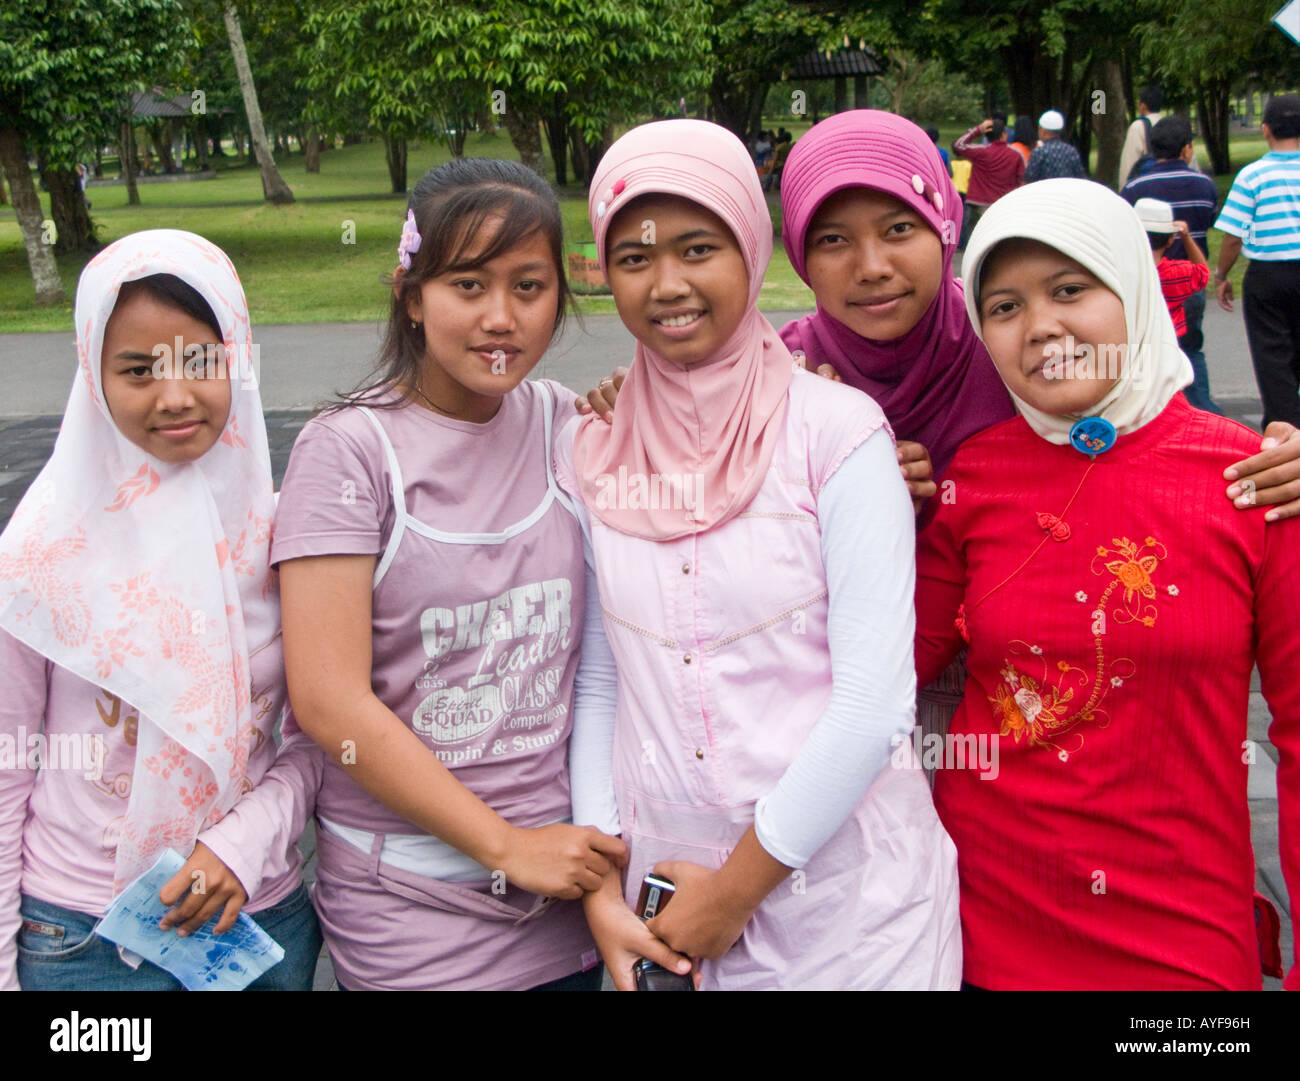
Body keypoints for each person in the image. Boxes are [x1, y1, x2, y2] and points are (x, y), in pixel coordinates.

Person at [560, 118, 961, 991]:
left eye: (698, 247)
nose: (668, 284)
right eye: (634, 258)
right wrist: (603, 876)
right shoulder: (592, 447)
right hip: (663, 897)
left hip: (850, 909)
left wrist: (736, 893)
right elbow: (601, 678)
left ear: (750, 247)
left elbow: (873, 704)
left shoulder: (839, 432)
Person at [915, 178, 1299, 990]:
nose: (1042, 326)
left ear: (1129, 286)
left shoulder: (1256, 478)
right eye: (1005, 306)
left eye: (1069, 289)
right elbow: (883, 660)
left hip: (1183, 944)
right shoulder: (976, 475)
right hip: (984, 925)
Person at [272, 159, 632, 991]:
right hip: (418, 915)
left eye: (530, 286)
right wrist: (506, 845)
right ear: (410, 293)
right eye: (467, 284)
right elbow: (329, 701)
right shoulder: (350, 451)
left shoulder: (562, 424)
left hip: (570, 899)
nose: (500, 318)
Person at [0, 230, 322, 991]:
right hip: (83, 938)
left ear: (236, 357)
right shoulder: (40, 555)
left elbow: (322, 736)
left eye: (200, 362)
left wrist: (244, 844)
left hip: (255, 920)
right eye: (138, 370)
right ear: (93, 375)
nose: (174, 396)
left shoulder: (286, 534)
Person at [1121, 115, 1222, 414]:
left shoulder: (1135, 187)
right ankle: (1201, 410)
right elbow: (1208, 221)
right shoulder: (1205, 185)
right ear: (1187, 149)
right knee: (1190, 349)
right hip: (1188, 284)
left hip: (1141, 283)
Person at [1215, 94, 1300, 430]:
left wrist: (1222, 275)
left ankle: (1285, 434)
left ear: (1266, 130)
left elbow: (1234, 236)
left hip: (1268, 277)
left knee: (1273, 359)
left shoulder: (1252, 177)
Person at [1136, 197, 1209, 338]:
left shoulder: (1123, 270)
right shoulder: (1178, 272)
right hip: (1169, 339)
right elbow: (1202, 272)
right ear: (1170, 241)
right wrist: (1185, 237)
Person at [952, 113, 1024, 249]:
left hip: (978, 203)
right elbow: (1022, 180)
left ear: (986, 136)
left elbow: (958, 145)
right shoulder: (1015, 155)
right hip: (1004, 204)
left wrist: (977, 129)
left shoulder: (981, 152)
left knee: (977, 242)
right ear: (1004, 135)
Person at [1023, 110, 1086, 183]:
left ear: (1043, 131)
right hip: (1067, 192)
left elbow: (1030, 179)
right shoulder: (1071, 151)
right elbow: (1080, 177)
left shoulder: (1039, 152)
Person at [1119, 85, 1164, 186]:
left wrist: (1124, 191)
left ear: (1143, 105)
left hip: (1147, 186)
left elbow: (1129, 164)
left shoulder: (1138, 126)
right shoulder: (1170, 125)